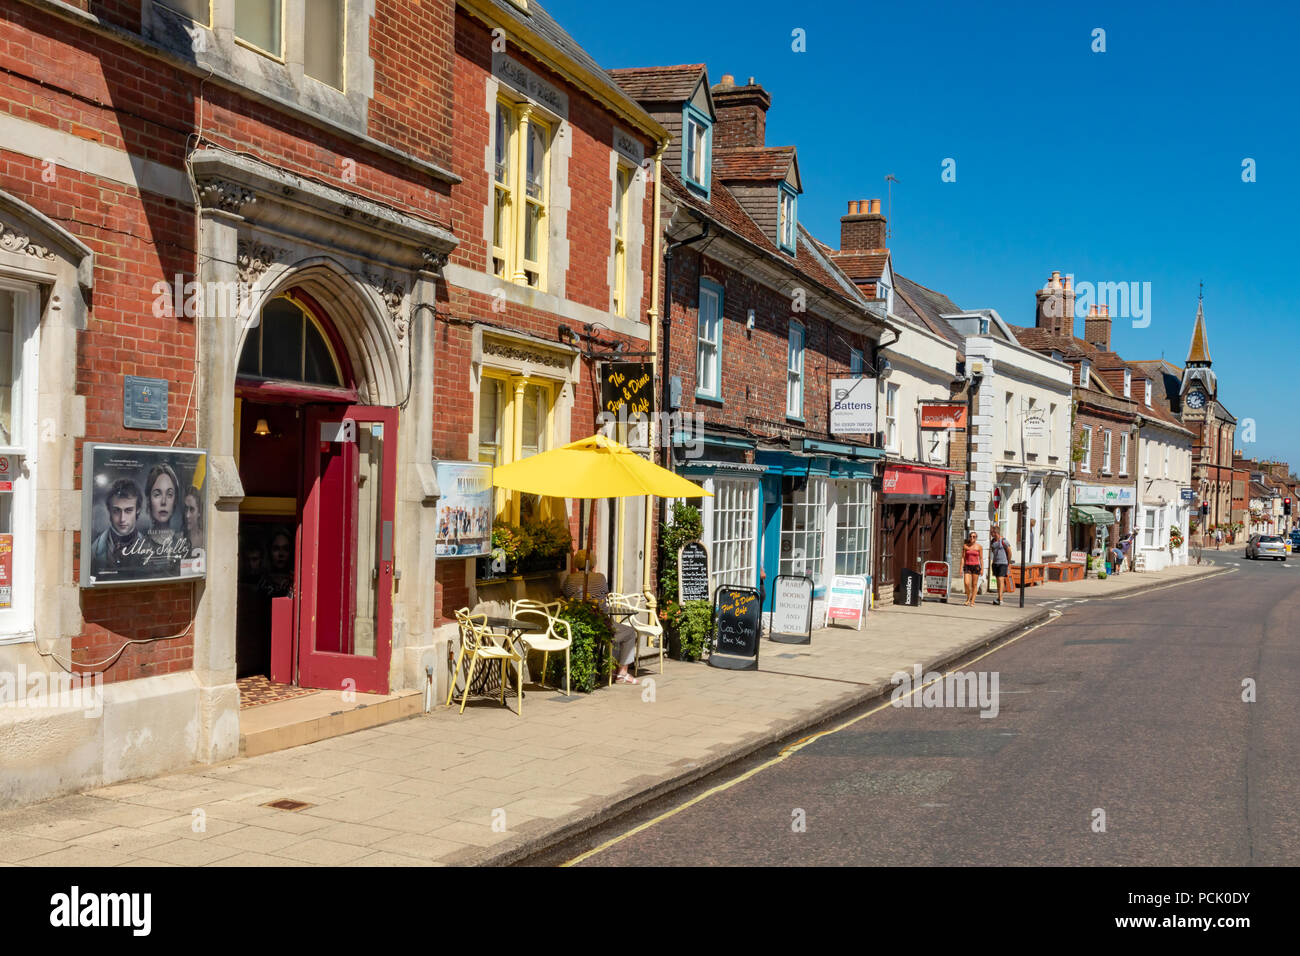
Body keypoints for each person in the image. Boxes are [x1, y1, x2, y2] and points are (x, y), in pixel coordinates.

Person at [90, 478, 147, 576]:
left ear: (138, 510)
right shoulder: (93, 551)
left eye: (128, 510)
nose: (122, 519)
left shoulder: (149, 547)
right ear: (109, 510)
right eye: (116, 510)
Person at [989, 528, 1013, 605]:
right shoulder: (992, 541)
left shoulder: (1003, 541)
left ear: (995, 533)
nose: (990, 534)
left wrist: (1008, 562)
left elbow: (1009, 551)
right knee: (997, 581)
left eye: (991, 532)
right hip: (995, 563)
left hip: (1003, 563)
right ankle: (999, 597)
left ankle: (1001, 599)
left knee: (1000, 579)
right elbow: (993, 551)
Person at [961, 531, 983, 607]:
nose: (972, 538)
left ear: (976, 538)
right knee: (966, 583)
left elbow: (981, 558)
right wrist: (961, 568)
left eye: (974, 537)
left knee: (974, 584)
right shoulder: (965, 546)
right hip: (967, 566)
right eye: (971, 536)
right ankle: (968, 597)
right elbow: (963, 558)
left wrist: (982, 569)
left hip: (976, 566)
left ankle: (972, 601)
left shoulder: (979, 547)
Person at [183, 486, 205, 556]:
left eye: (192, 509)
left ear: (199, 512)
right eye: (185, 509)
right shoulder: (178, 539)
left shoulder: (206, 538)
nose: (187, 515)